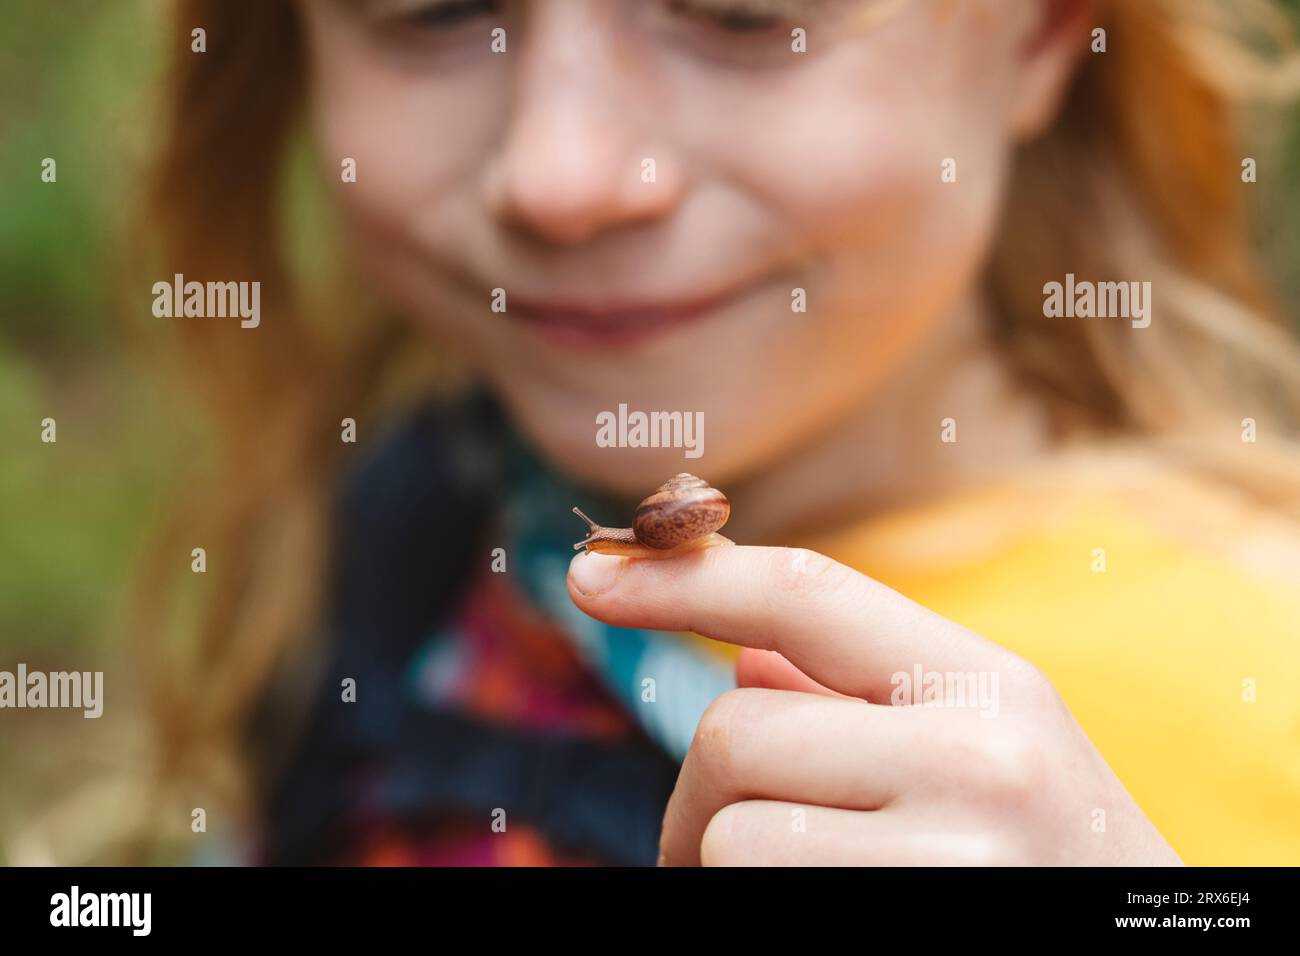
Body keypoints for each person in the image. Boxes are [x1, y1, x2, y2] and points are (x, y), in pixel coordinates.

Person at [135, 0, 1300, 865]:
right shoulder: (413, 505)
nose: (559, 173)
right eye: (434, 8)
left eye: (745, 14)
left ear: (1043, 32)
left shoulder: (1249, 694)